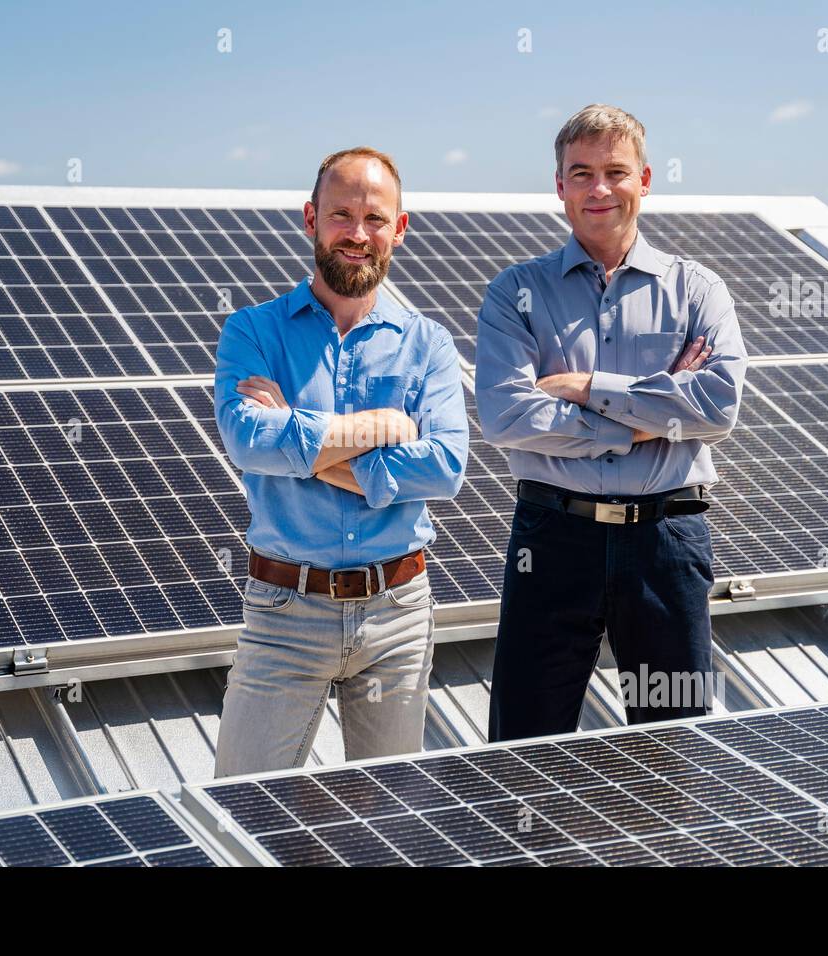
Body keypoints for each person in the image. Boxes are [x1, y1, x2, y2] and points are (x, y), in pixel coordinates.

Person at [475, 104, 748, 739]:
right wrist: (646, 417)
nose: (599, 188)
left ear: (645, 180)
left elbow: (716, 405)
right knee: (523, 743)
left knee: (675, 742)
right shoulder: (516, 293)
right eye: (581, 172)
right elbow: (509, 414)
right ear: (560, 186)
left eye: (615, 171)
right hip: (551, 540)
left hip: (667, 543)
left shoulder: (697, 289)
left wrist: (587, 388)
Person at [212, 147, 468, 777]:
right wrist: (380, 429)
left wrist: (303, 452)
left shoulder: (427, 342)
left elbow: (445, 466)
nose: (358, 234)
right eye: (341, 215)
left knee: (389, 819)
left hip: (399, 616)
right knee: (241, 804)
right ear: (311, 219)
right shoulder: (253, 331)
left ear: (399, 230)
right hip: (283, 615)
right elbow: (246, 440)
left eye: (375, 218)